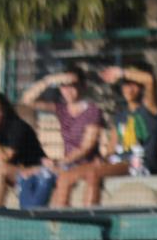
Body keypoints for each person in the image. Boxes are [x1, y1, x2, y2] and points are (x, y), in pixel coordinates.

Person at [51, 64, 157, 208]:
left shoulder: (149, 109)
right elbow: (112, 147)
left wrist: (121, 72)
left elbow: (149, 80)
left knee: (93, 173)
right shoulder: (120, 116)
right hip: (117, 162)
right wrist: (103, 158)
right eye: (125, 85)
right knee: (66, 177)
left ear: (141, 89)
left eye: (134, 85)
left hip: (138, 165)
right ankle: (59, 224)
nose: (129, 89)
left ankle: (89, 218)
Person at [19, 68, 104, 198]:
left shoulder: (93, 111)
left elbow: (86, 147)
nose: (68, 90)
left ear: (83, 86)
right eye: (64, 86)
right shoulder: (61, 109)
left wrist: (60, 162)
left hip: (86, 164)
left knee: (54, 178)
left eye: (73, 85)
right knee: (26, 175)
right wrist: (49, 80)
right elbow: (26, 101)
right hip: (66, 164)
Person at [0, 93, 51, 210]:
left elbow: (3, 159)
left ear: (5, 112)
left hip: (34, 170)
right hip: (13, 171)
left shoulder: (17, 127)